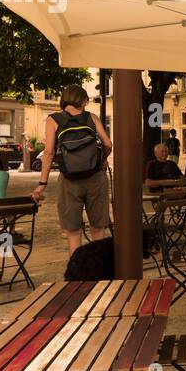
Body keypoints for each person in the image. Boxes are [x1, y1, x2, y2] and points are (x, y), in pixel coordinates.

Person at [31, 84, 113, 256]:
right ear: (82, 100)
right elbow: (108, 144)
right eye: (86, 100)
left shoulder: (53, 119)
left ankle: (78, 276)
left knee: (73, 232)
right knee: (98, 229)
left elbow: (48, 153)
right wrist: (103, 159)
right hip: (96, 177)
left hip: (69, 181)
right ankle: (99, 271)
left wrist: (42, 184)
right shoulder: (92, 117)